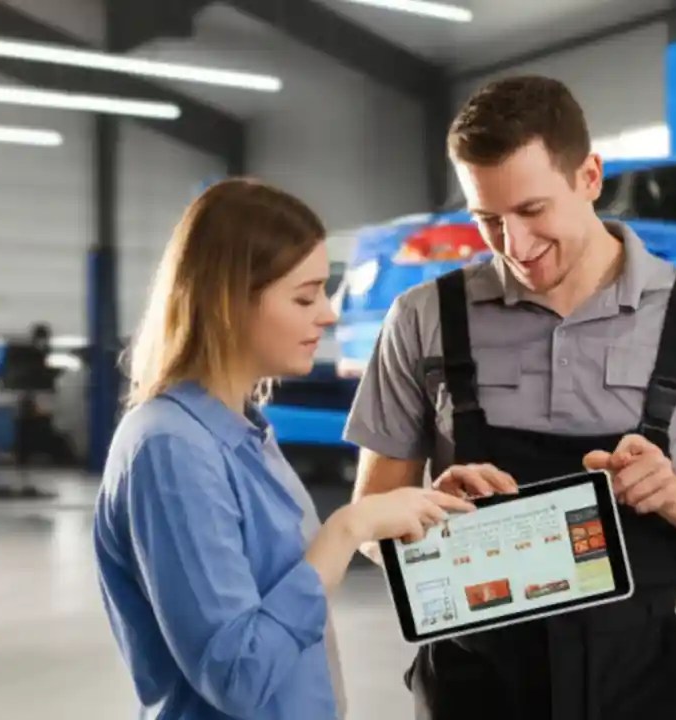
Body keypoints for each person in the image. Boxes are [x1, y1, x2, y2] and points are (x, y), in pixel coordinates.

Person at [344, 75, 676, 720]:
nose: (515, 245)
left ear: (589, 176)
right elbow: (368, 526)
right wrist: (426, 512)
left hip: (639, 691)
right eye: (487, 220)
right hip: (473, 693)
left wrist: (675, 492)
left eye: (531, 211)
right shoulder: (424, 319)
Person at [92, 178, 475, 720]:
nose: (329, 313)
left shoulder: (246, 433)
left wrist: (420, 508)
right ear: (228, 301)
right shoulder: (170, 450)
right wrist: (346, 529)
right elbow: (240, 675)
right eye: (305, 295)